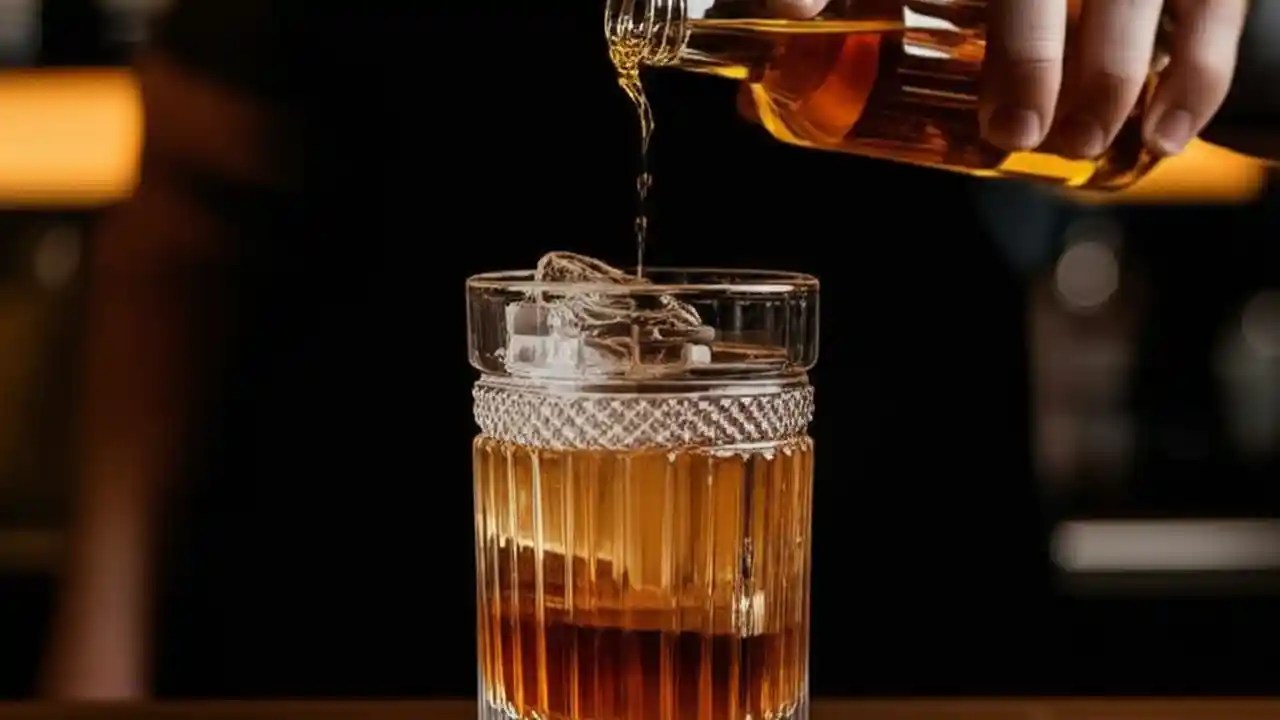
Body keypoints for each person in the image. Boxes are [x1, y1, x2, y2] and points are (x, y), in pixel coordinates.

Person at [40, 0, 1260, 700]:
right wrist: (95, 663)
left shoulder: (815, 59)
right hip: (348, 586)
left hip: (896, 572)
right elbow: (195, 207)